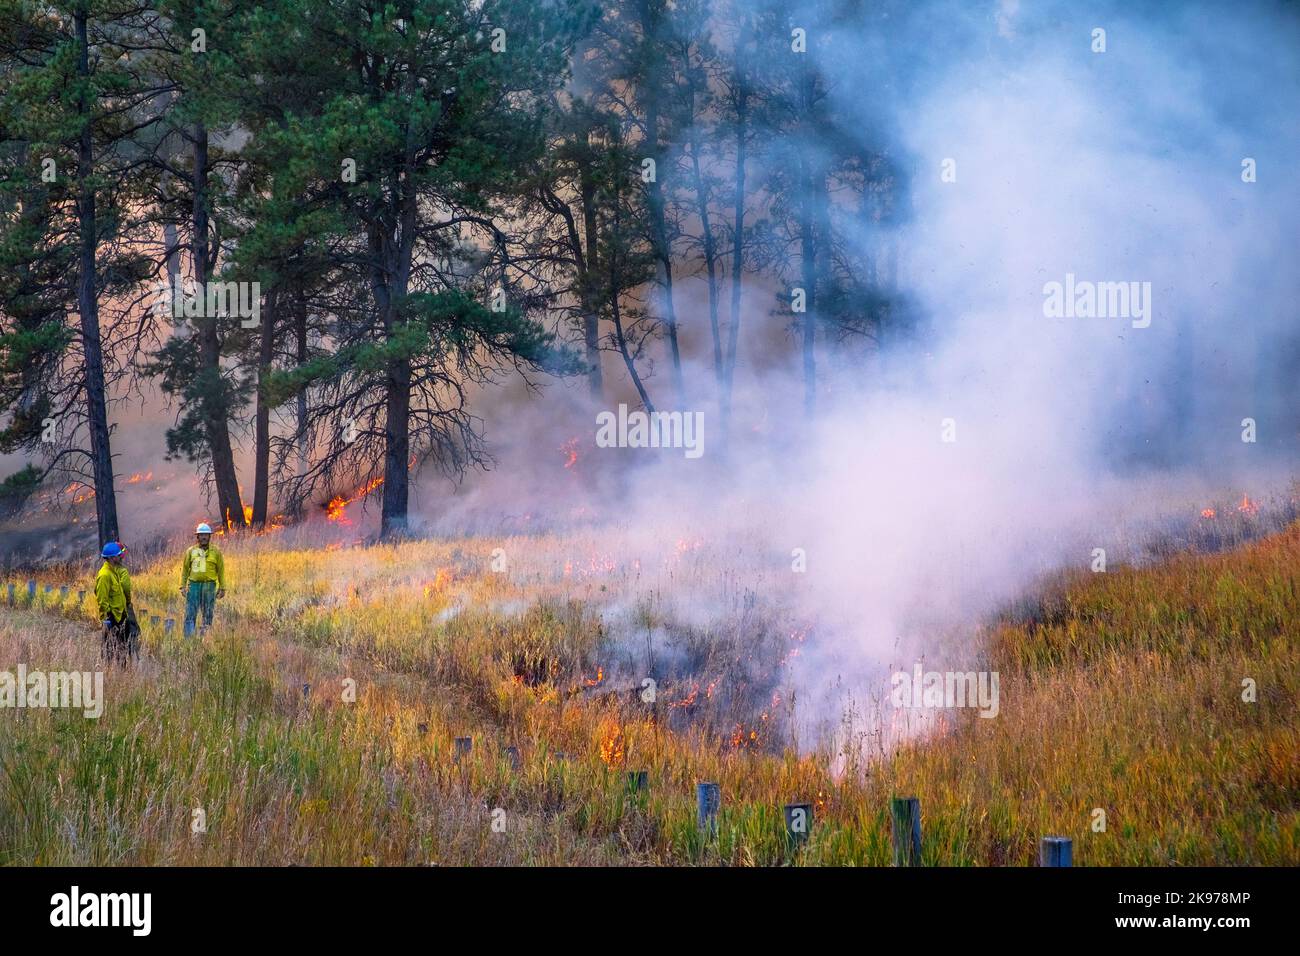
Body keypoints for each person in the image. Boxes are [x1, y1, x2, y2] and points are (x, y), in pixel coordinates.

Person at [180, 523, 225, 637]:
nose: (204, 537)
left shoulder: (216, 552)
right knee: (191, 612)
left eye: (206, 535)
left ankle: (206, 638)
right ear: (197, 537)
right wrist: (182, 586)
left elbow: (221, 570)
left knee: (208, 612)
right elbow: (185, 570)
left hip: (209, 586)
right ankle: (188, 640)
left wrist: (222, 587)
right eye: (201, 535)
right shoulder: (190, 551)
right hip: (193, 586)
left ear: (210, 536)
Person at [95, 542, 133, 664]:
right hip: (112, 618)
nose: (120, 557)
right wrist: (106, 619)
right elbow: (102, 599)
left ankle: (123, 672)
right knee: (110, 649)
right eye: (118, 555)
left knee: (122, 647)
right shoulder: (105, 575)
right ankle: (111, 673)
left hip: (120, 615)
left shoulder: (113, 571)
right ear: (111, 558)